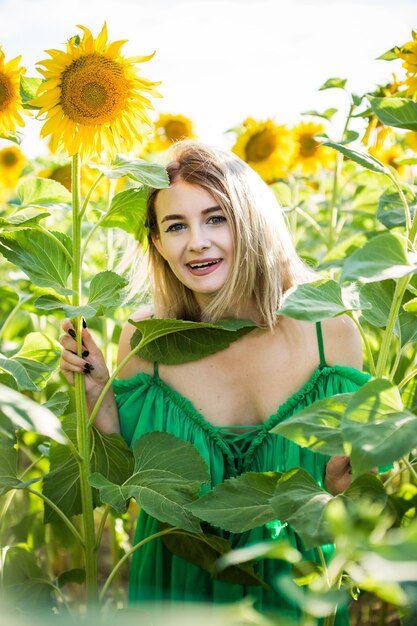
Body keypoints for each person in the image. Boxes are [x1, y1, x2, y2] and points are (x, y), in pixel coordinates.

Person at [60, 141, 369, 623]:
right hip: (175, 586)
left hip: (296, 590)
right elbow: (129, 480)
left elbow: (355, 495)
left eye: (216, 218)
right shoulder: (147, 340)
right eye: (176, 226)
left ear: (251, 220)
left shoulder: (328, 333)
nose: (197, 242)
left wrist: (354, 484)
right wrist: (99, 390)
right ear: (158, 243)